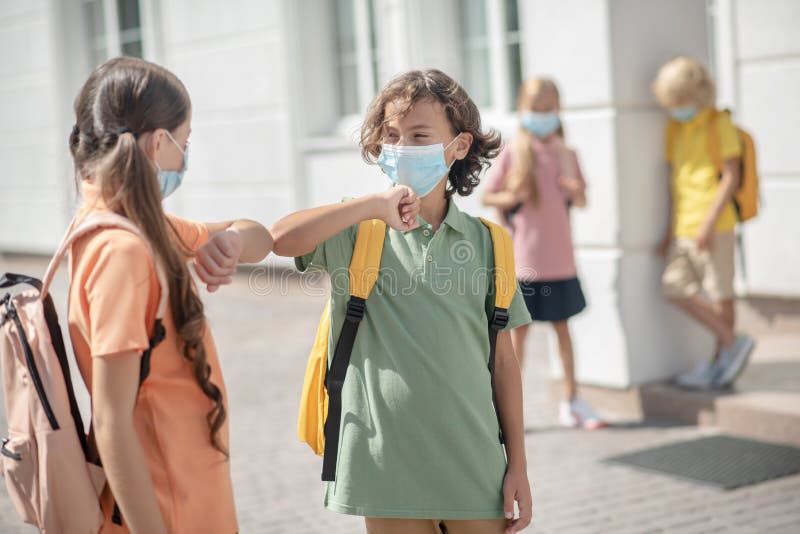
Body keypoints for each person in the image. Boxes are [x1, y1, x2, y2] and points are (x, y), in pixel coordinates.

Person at [271, 69, 533, 534]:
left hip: (474, 462)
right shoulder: (359, 230)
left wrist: (519, 466)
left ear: (459, 146)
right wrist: (370, 206)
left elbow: (503, 362)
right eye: (392, 135)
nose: (402, 146)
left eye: (419, 135)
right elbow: (281, 239)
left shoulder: (491, 245)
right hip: (384, 463)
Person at [67, 56, 272, 533]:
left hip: (184, 497)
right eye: (186, 142)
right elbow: (113, 422)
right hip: (170, 506)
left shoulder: (127, 226)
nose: (185, 157)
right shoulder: (123, 251)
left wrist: (234, 241)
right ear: (160, 142)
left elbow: (261, 236)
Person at [482, 78, 605, 430]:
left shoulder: (568, 154)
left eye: (548, 108)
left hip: (561, 263)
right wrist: (512, 195)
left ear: (558, 109)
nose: (542, 115)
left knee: (563, 331)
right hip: (525, 266)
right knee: (518, 338)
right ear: (522, 110)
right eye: (535, 108)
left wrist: (575, 190)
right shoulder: (513, 152)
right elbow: (489, 197)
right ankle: (509, 409)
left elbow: (581, 201)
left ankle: (572, 400)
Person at [652, 56, 755, 390]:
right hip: (684, 225)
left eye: (680, 102)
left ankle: (719, 363)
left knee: (721, 294)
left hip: (716, 224)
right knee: (673, 287)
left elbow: (731, 176)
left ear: (698, 95)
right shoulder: (675, 129)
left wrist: (709, 223)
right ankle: (731, 342)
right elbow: (674, 184)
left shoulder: (718, 124)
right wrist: (669, 231)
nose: (676, 109)